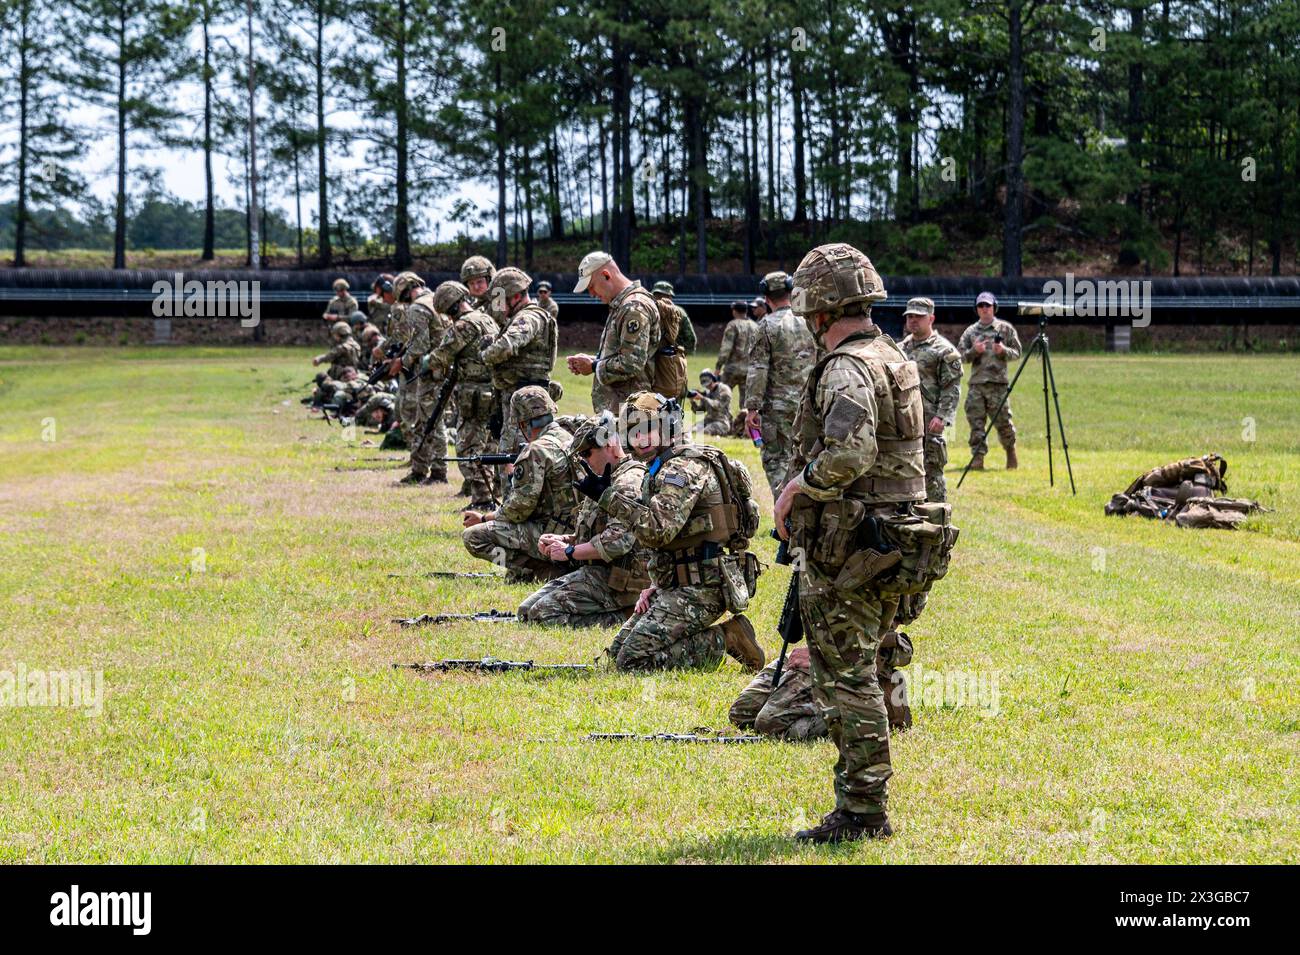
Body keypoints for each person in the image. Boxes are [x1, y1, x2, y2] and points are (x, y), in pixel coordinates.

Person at [773, 241, 926, 844]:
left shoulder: (846, 366)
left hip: (853, 543)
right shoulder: (894, 356)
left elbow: (851, 452)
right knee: (868, 655)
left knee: (845, 676)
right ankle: (868, 797)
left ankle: (863, 811)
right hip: (894, 538)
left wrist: (795, 490)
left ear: (820, 308)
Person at [577, 392, 764, 673]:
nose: (640, 440)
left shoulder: (684, 469)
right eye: (632, 432)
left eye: (647, 429)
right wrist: (656, 585)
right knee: (614, 657)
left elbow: (657, 530)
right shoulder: (661, 467)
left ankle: (727, 638)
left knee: (631, 662)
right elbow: (670, 543)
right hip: (678, 583)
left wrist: (609, 497)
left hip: (703, 588)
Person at [517, 413, 652, 628]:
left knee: (543, 615)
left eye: (587, 453)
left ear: (609, 445)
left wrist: (569, 552)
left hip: (622, 579)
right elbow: (594, 532)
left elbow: (618, 542)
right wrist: (565, 540)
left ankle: (626, 616)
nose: (583, 461)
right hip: (597, 571)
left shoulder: (628, 481)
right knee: (525, 612)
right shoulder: (602, 480)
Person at [462, 387, 578, 582]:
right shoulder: (571, 439)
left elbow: (518, 510)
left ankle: (539, 570)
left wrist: (483, 518)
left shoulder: (535, 451)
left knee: (473, 537)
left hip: (552, 534)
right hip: (577, 533)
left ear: (522, 424)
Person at [427, 280, 501, 510]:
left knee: (468, 448)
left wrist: (421, 365)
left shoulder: (462, 326)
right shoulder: (486, 318)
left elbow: (441, 356)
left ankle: (482, 500)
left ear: (450, 308)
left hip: (474, 394)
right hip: (493, 391)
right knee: (490, 446)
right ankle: (493, 494)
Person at [744, 270, 817, 496]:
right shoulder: (810, 322)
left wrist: (752, 408)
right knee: (808, 460)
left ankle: (786, 517)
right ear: (791, 291)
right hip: (809, 405)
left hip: (777, 409)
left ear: (766, 299)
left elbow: (758, 369)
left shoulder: (766, 326)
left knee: (777, 462)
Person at [566, 251, 660, 413]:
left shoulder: (633, 307)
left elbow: (632, 362)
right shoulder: (622, 305)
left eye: (591, 286)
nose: (592, 294)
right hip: (621, 409)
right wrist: (593, 361)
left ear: (606, 275)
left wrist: (595, 366)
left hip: (631, 411)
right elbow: (623, 354)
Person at [480, 267, 559, 455]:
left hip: (526, 404)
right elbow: (496, 318)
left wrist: (485, 355)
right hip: (516, 398)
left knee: (517, 457)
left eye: (501, 298)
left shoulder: (529, 317)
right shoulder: (517, 316)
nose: (498, 304)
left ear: (514, 297)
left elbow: (507, 344)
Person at [899, 297, 963, 502]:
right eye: (910, 316)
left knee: (932, 472)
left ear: (931, 318)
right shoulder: (900, 348)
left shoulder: (945, 351)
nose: (913, 320)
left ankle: (937, 517)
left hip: (930, 421)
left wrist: (942, 417)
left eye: (919, 316)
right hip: (904, 421)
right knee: (904, 470)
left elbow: (951, 388)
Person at [390, 271, 450, 485]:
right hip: (441, 370)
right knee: (429, 420)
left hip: (428, 373)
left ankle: (438, 472)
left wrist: (401, 362)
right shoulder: (436, 301)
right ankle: (421, 468)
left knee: (431, 421)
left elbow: (420, 345)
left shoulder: (418, 307)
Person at [958, 291, 1022, 470]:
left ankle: (1010, 452)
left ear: (994, 307)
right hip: (977, 385)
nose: (985, 309)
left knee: (1003, 421)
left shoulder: (1005, 329)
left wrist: (1004, 351)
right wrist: (973, 352)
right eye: (981, 306)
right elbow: (960, 357)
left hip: (998, 384)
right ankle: (977, 458)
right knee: (976, 423)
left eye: (988, 305)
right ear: (977, 309)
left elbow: (1018, 352)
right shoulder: (970, 332)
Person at [729, 646, 826, 741]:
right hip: (803, 656)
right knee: (739, 714)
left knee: (766, 726)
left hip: (830, 663)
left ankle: (835, 717)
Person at [716, 299, 758, 415]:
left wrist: (718, 366)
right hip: (749, 370)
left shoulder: (733, 325)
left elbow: (726, 348)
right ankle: (743, 425)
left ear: (734, 311)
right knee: (745, 402)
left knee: (723, 396)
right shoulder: (755, 326)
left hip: (731, 369)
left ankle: (724, 421)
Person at [688, 370, 733, 436]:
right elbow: (699, 411)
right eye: (706, 385)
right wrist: (692, 401)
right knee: (691, 431)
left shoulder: (724, 389)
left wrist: (702, 398)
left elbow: (719, 405)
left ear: (713, 379)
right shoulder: (708, 393)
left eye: (709, 384)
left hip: (722, 422)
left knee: (704, 432)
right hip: (708, 421)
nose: (708, 387)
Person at [460, 255, 498, 326]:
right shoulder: (472, 304)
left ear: (490, 280)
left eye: (479, 282)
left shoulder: (500, 302)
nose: (476, 287)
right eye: (471, 283)